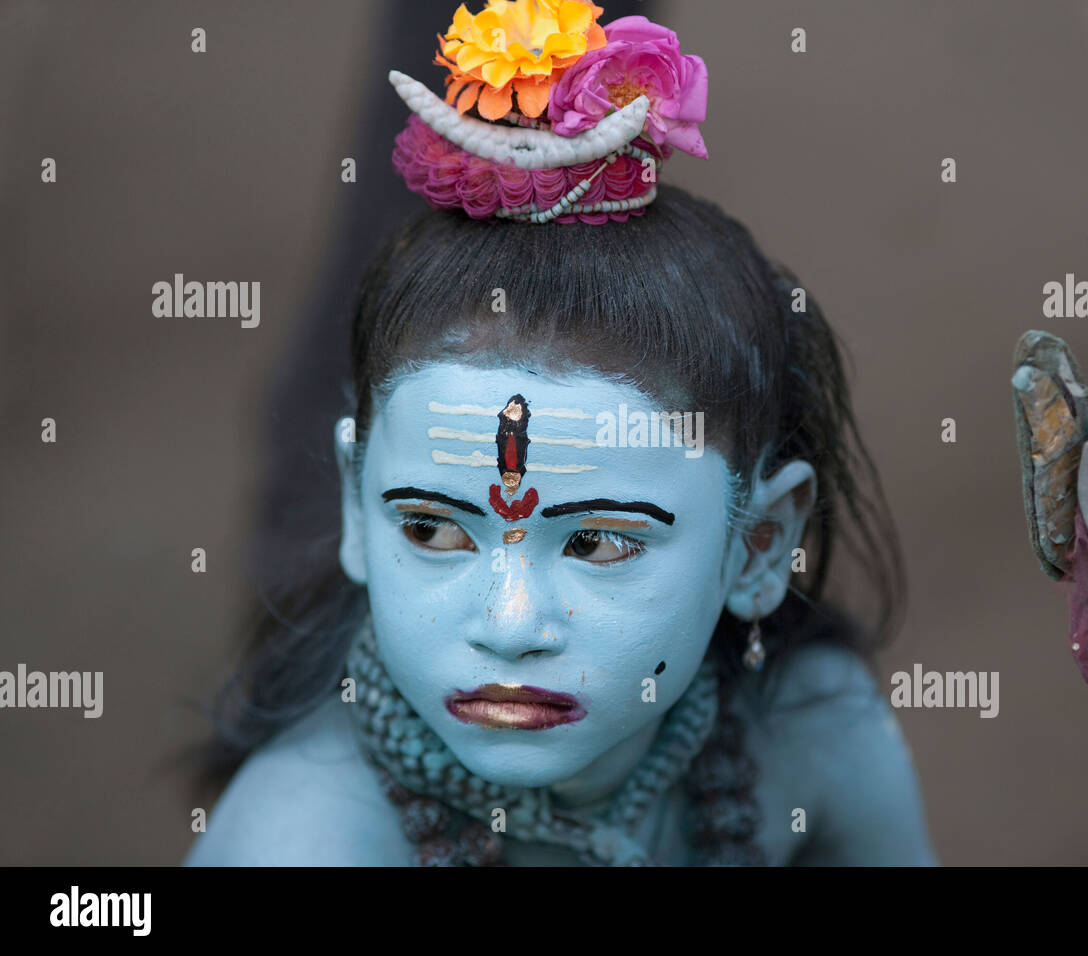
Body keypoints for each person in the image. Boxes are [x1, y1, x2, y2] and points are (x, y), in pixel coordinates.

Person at [187, 0, 935, 866]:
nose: (510, 626)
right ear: (357, 509)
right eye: (430, 529)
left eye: (598, 544)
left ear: (761, 546)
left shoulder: (814, 735)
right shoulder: (302, 844)